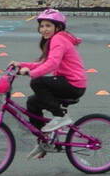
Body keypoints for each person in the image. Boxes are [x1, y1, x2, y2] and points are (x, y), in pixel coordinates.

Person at [12, 9, 88, 159]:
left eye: (48, 26)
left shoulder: (58, 39)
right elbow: (44, 63)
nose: (44, 29)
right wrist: (21, 65)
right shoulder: (55, 39)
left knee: (37, 82)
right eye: (42, 26)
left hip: (73, 84)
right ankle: (45, 141)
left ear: (57, 27)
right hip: (65, 83)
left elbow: (53, 64)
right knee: (32, 103)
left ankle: (60, 116)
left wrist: (30, 73)